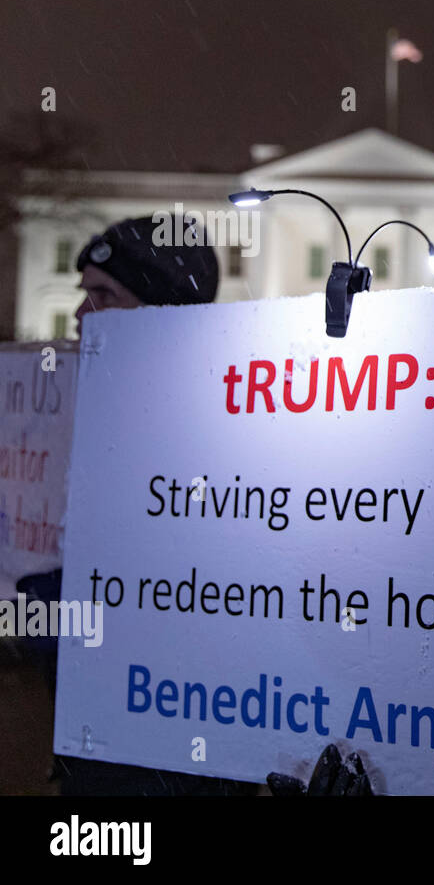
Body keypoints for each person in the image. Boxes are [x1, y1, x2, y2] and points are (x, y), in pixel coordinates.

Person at [15, 214, 247, 794]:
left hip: (177, 769)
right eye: (83, 294)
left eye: (103, 295)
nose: (78, 316)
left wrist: (51, 599)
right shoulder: (90, 426)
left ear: (158, 314)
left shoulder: (226, 453)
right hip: (96, 762)